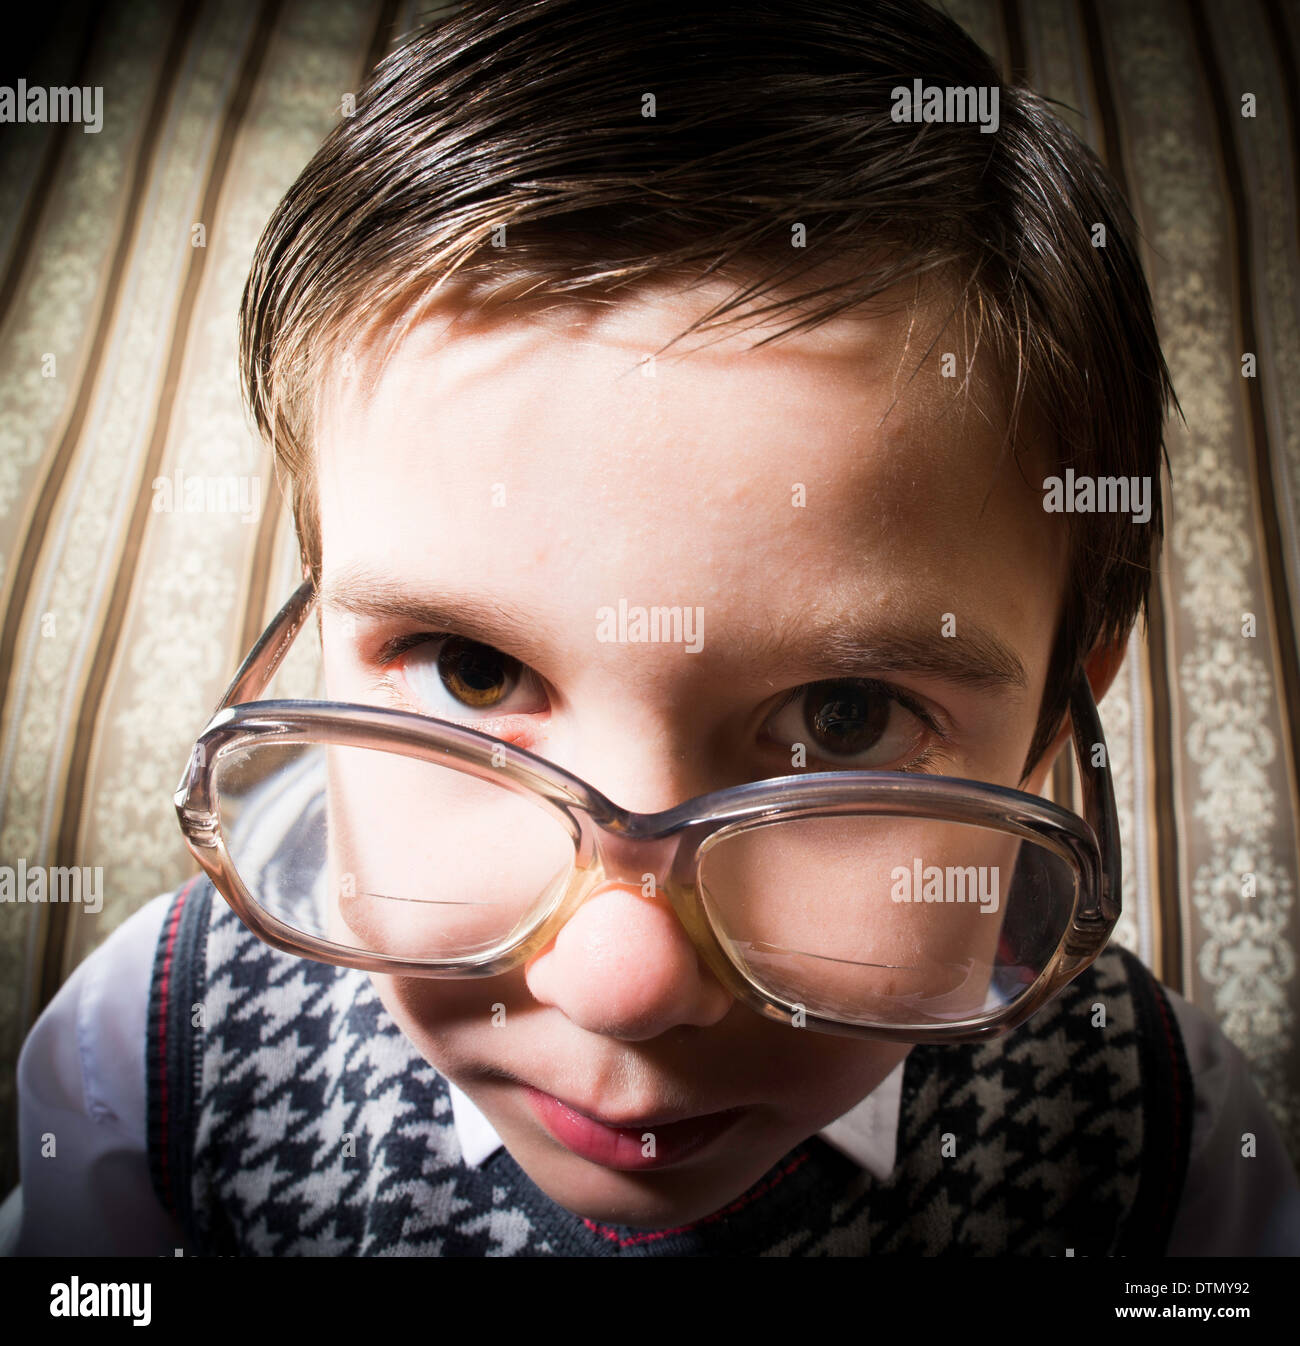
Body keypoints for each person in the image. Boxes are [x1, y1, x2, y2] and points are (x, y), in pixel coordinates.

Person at [6, 0, 1299, 1257]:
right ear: (319, 621)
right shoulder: (152, 1054)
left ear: (1053, 729)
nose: (622, 983)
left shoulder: (1162, 1139)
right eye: (474, 668)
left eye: (843, 716)